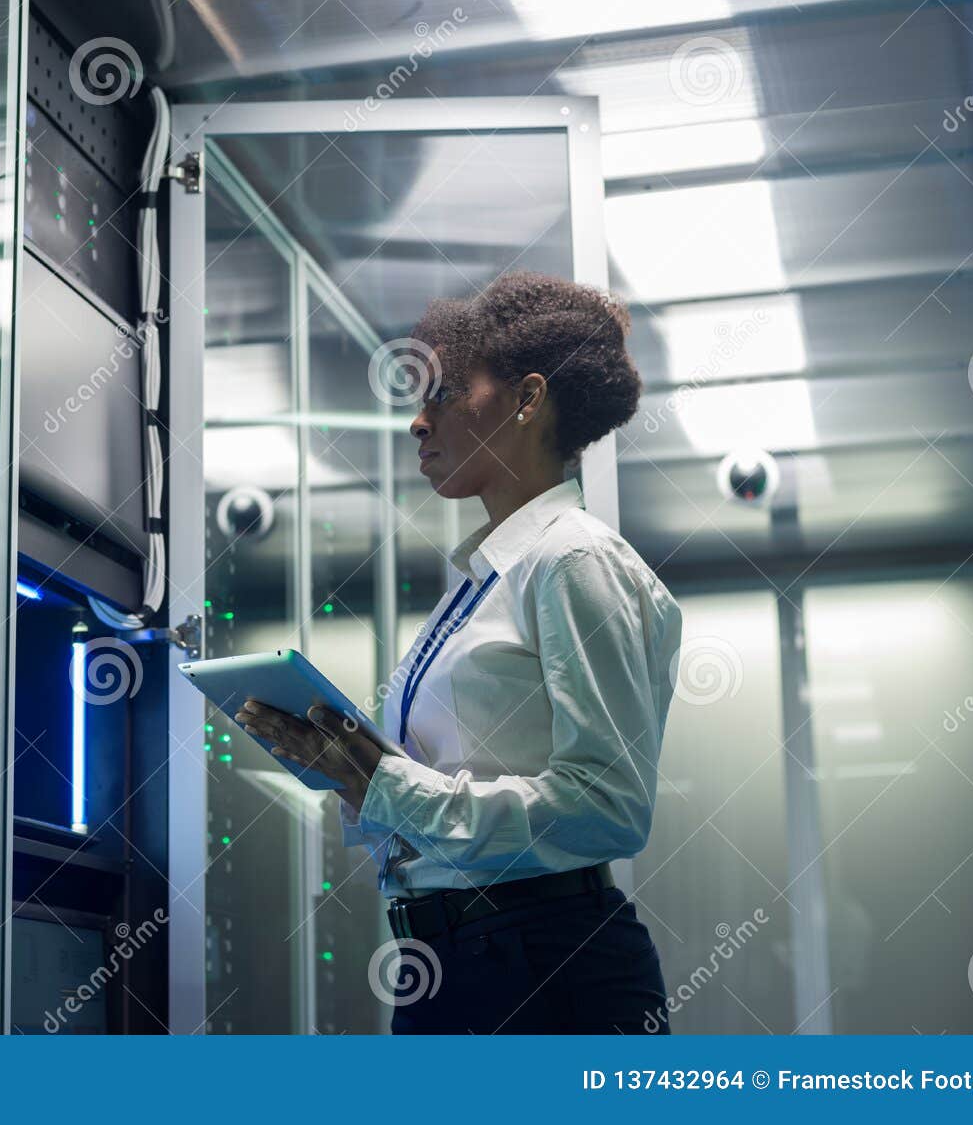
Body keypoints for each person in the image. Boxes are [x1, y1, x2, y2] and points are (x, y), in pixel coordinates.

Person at [236, 271, 681, 1035]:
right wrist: (353, 775)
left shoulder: (573, 561)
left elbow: (608, 809)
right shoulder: (485, 578)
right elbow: (448, 791)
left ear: (527, 399)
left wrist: (389, 783)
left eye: (443, 394)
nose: (417, 422)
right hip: (447, 957)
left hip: (545, 967)